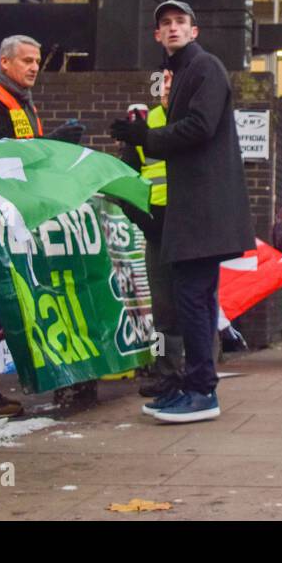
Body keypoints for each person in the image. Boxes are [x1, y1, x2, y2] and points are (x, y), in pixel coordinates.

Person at [111, 0, 255, 424]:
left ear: (194, 31)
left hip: (200, 210)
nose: (172, 28)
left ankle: (200, 392)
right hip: (193, 210)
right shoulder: (183, 72)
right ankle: (193, 386)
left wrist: (147, 137)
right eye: (165, 24)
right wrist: (146, 137)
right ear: (157, 35)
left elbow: (200, 126)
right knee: (194, 298)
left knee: (193, 298)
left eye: (180, 22)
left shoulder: (205, 67)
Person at [0, 35, 85, 417]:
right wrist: (51, 145)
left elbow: (24, 155)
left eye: (36, 61)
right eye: (26, 60)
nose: (34, 67)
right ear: (5, 61)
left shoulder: (18, 102)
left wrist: (51, 147)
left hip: (8, 217)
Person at [116, 71, 183, 400]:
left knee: (196, 305)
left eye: (175, 80)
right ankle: (165, 373)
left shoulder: (196, 123)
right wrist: (144, 221)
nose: (167, 88)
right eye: (164, 82)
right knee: (163, 309)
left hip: (191, 228)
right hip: (158, 228)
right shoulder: (146, 123)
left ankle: (196, 371)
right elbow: (126, 182)